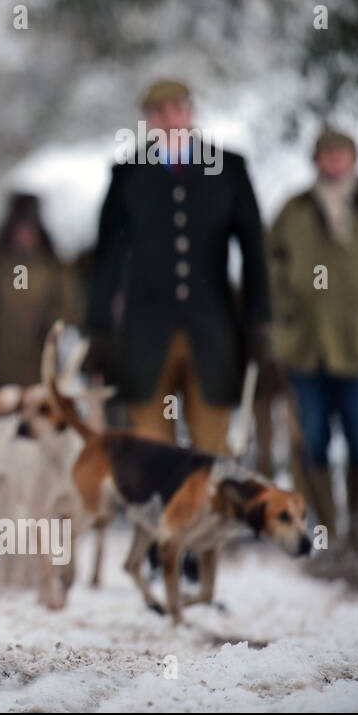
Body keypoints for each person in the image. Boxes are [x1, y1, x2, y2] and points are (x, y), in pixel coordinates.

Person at [87, 79, 270, 453]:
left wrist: (257, 320)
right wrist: (98, 328)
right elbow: (107, 257)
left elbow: (253, 251)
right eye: (159, 113)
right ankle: (160, 514)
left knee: (211, 450)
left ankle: (208, 515)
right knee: (153, 453)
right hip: (145, 332)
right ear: (148, 121)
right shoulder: (127, 175)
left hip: (212, 330)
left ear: (190, 112)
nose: (170, 120)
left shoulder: (228, 168)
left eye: (176, 109)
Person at [269, 128, 358, 551]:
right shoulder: (293, 211)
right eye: (326, 153)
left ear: (354, 157)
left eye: (341, 153)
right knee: (312, 442)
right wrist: (284, 317)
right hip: (305, 349)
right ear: (316, 159)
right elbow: (269, 267)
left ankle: (357, 530)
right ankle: (326, 532)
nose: (334, 161)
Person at [0, 192, 81, 395]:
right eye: (20, 229)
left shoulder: (53, 268)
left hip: (37, 368)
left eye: (30, 230)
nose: (25, 236)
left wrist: (46, 320)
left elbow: (73, 310)